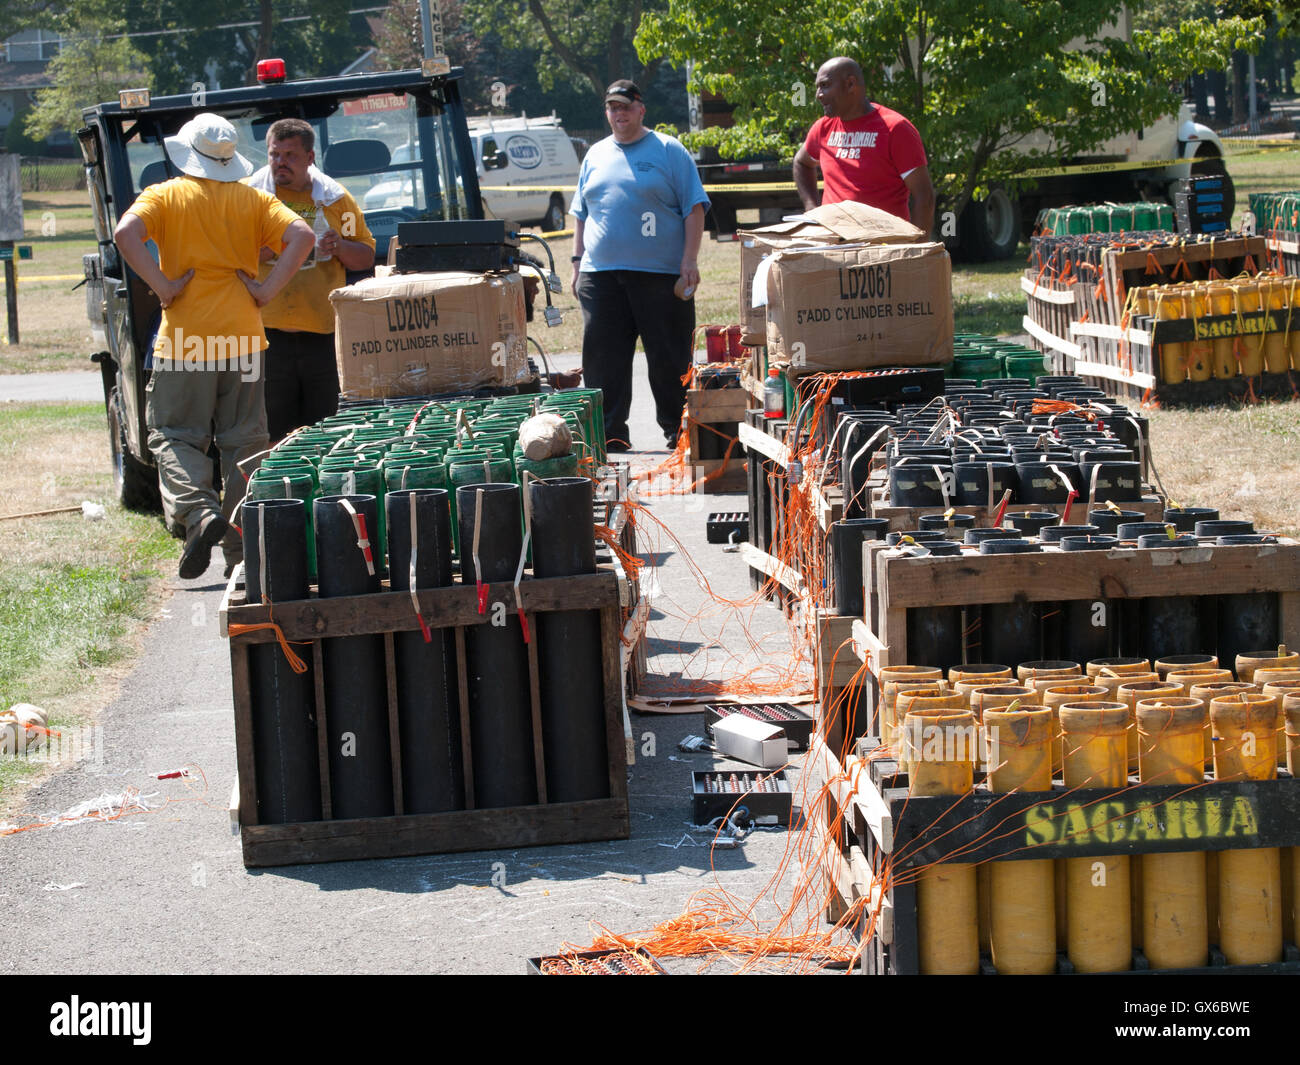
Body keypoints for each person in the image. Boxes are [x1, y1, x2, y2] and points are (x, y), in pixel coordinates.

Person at [114, 113, 314, 579]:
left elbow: (126, 235)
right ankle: (243, 554)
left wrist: (163, 285)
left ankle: (199, 515)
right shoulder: (253, 199)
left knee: (175, 434)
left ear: (186, 154)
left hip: (185, 340)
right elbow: (301, 236)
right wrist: (264, 292)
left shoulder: (164, 195)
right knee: (244, 442)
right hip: (243, 338)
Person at [570, 80, 710, 451]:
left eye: (626, 107)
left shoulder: (669, 150)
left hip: (660, 276)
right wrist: (576, 263)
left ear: (641, 109)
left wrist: (689, 259)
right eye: (612, 108)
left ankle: (678, 432)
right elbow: (581, 214)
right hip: (600, 275)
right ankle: (610, 434)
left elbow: (694, 208)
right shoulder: (595, 154)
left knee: (668, 358)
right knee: (603, 361)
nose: (619, 114)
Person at [247, 118, 376, 442]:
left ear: (310, 157)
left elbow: (365, 256)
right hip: (265, 335)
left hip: (324, 335)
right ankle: (278, 491)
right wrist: (261, 251)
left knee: (328, 430)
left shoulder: (335, 199)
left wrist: (339, 246)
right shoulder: (249, 198)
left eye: (290, 155)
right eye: (275, 155)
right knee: (271, 431)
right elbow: (224, 256)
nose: (280, 163)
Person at [794, 57, 936, 235]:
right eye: (818, 87)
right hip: (833, 244)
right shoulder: (823, 128)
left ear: (851, 84)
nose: (818, 94)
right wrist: (812, 209)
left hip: (882, 247)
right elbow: (801, 162)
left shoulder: (895, 128)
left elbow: (925, 197)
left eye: (825, 85)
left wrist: (916, 251)